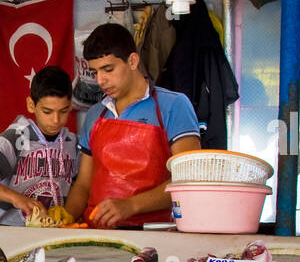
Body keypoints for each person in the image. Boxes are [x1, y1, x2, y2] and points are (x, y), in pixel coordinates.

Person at [67, 23, 203, 228]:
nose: (101, 81)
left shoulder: (173, 105)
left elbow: (188, 179)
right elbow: (83, 184)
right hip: (97, 233)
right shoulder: (96, 113)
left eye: (108, 69)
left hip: (155, 234)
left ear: (132, 61)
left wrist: (130, 205)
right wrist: (64, 218)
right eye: (95, 72)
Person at [0, 66, 84, 226]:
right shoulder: (16, 138)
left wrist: (69, 215)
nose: (56, 120)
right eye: (47, 112)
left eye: (63, 111)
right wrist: (16, 198)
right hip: (5, 231)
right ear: (31, 105)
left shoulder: (73, 143)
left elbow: (81, 186)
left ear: (70, 105)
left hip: (48, 234)